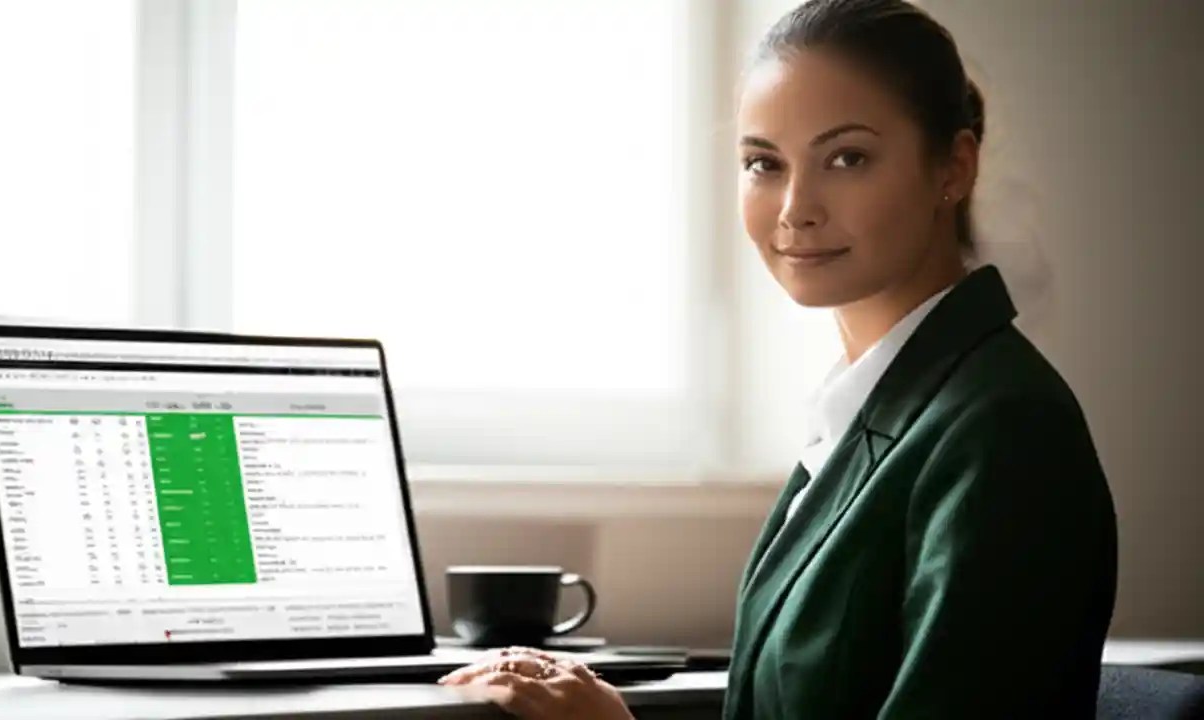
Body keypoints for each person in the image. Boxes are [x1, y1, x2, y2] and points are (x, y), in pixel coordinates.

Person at [436, 0, 1119, 717]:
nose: (796, 207)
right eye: (764, 163)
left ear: (954, 165)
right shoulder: (863, 413)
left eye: (847, 158)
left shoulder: (1003, 430)